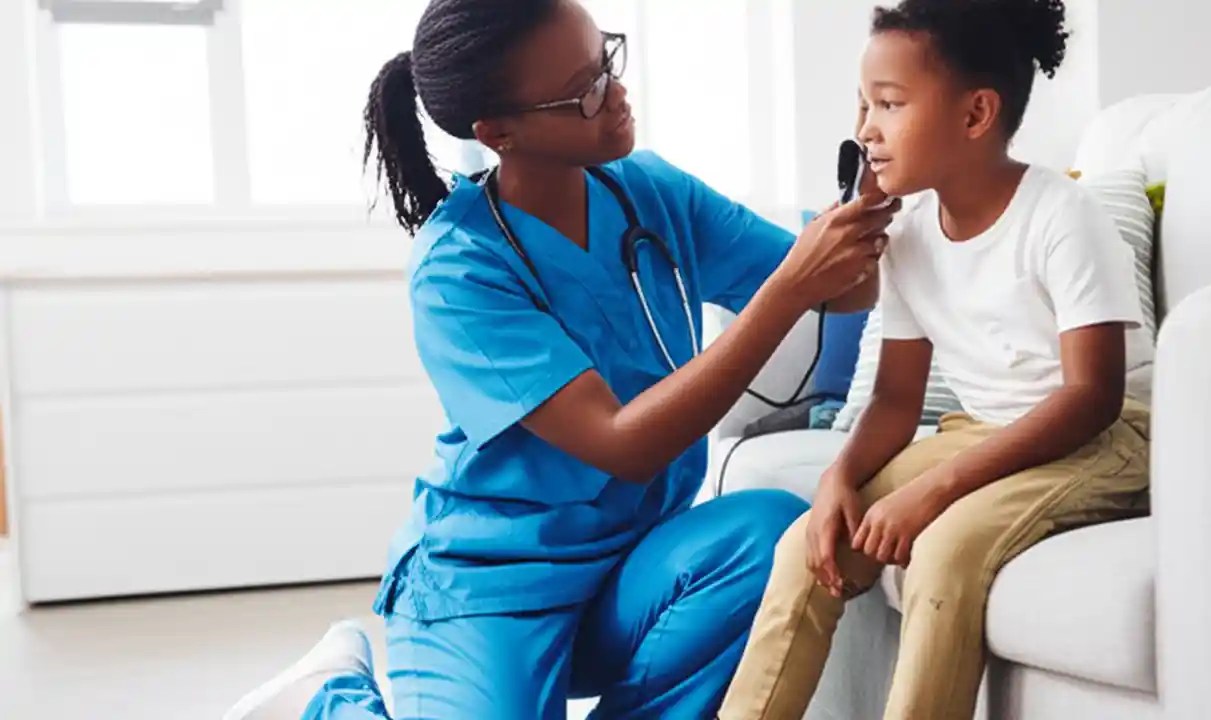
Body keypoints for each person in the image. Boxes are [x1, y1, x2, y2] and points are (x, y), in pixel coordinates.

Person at [224, 0, 902, 718]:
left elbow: (846, 292)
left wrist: (873, 188)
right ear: (498, 133)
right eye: (585, 92)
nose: (617, 93)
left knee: (765, 535)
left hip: (624, 570)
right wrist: (790, 289)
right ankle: (326, 696)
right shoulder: (458, 270)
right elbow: (623, 445)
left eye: (606, 61)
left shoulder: (650, 192)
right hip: (491, 589)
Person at [718, 1, 1150, 719]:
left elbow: (1091, 398)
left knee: (945, 551)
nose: (865, 129)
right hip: (983, 432)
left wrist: (935, 490)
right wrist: (839, 478)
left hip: (1098, 440)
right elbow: (895, 400)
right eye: (863, 105)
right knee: (806, 545)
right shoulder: (910, 231)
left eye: (889, 104)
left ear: (975, 114)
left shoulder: (1063, 216)